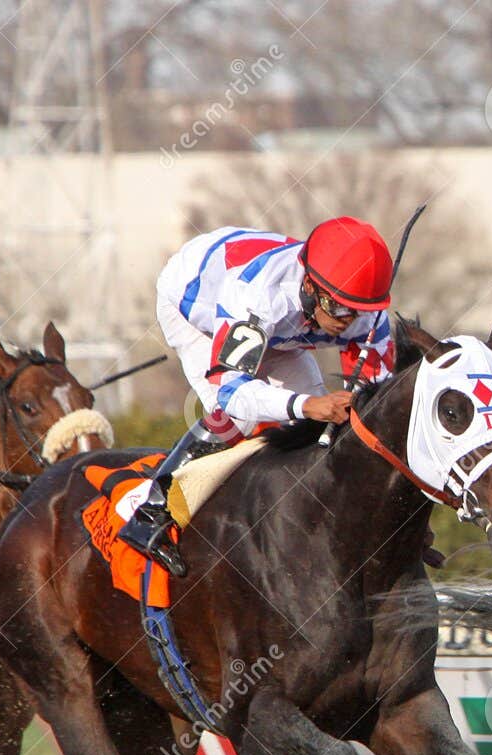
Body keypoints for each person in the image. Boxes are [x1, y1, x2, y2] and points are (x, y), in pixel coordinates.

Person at [118, 216, 397, 576]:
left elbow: (375, 411)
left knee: (320, 426)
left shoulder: (365, 315)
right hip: (196, 307)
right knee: (241, 416)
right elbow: (232, 392)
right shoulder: (259, 296)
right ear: (309, 285)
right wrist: (309, 405)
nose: (349, 321)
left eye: (359, 311)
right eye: (339, 308)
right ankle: (150, 509)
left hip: (282, 329)